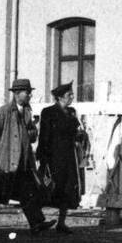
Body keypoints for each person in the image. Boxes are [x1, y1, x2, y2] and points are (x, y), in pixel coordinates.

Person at [0, 78, 54, 236]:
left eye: (29, 92)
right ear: (17, 94)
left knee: (28, 194)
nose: (30, 95)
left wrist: (32, 129)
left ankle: (36, 224)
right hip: (4, 163)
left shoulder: (27, 112)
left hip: (23, 164)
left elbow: (32, 137)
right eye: (27, 92)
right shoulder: (3, 112)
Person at [35, 82, 86, 232]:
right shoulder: (48, 112)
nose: (72, 97)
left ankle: (61, 223)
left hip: (69, 158)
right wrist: (43, 157)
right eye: (69, 95)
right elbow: (44, 135)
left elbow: (76, 131)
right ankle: (37, 221)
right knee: (47, 188)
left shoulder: (71, 112)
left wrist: (79, 135)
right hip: (53, 157)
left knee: (67, 188)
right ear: (59, 98)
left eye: (72, 94)